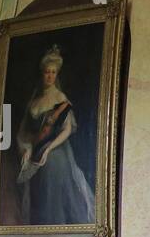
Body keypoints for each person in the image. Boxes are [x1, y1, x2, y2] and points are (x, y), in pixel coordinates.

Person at [15, 45, 96, 225]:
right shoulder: (33, 102)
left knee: (53, 194)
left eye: (53, 72)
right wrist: (26, 149)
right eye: (47, 72)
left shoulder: (60, 99)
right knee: (39, 196)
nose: (50, 76)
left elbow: (67, 129)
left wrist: (48, 149)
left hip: (57, 155)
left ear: (57, 74)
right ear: (42, 74)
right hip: (36, 156)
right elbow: (24, 133)